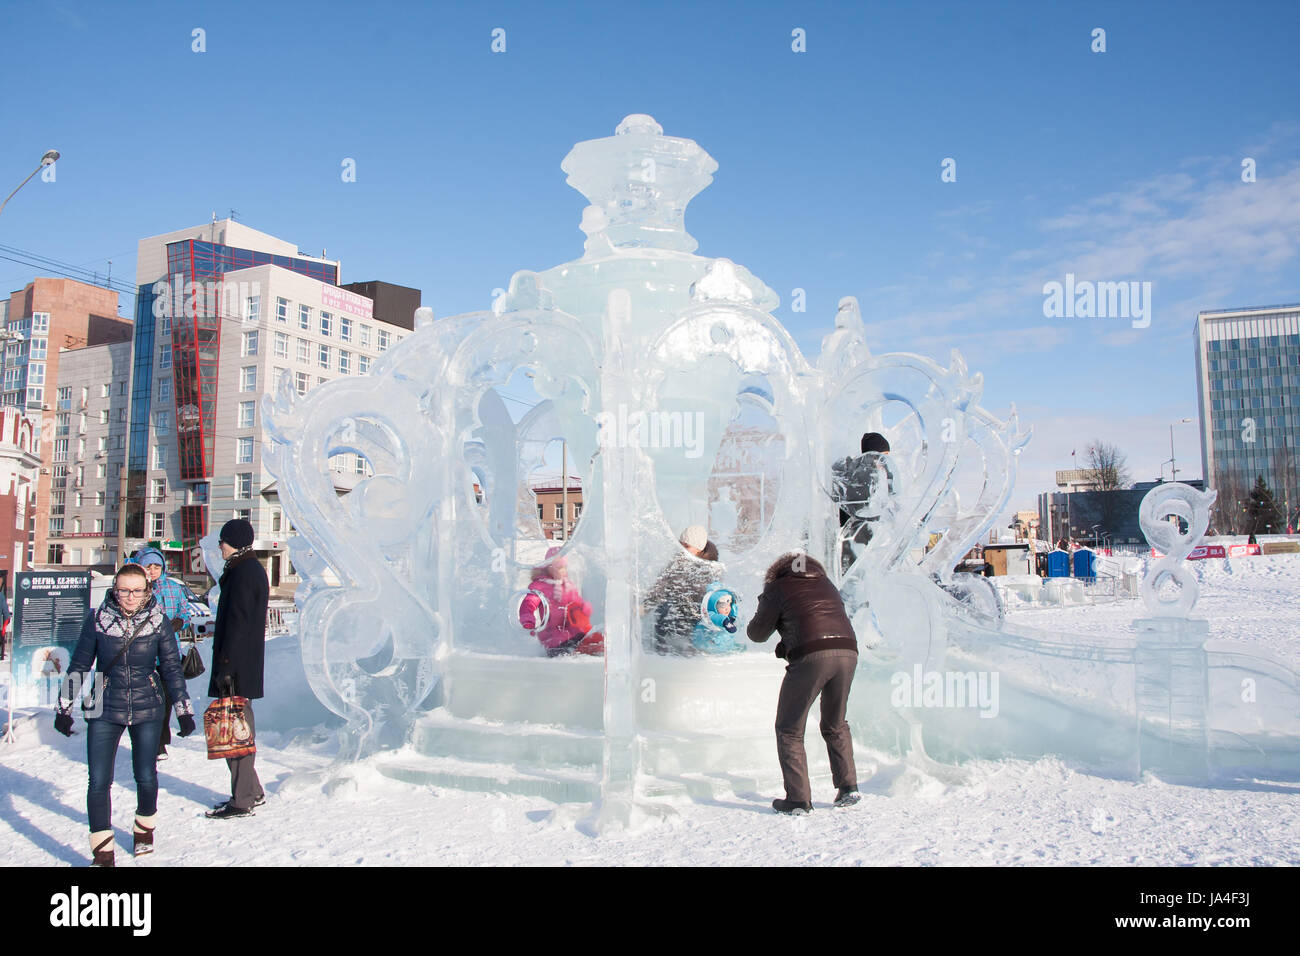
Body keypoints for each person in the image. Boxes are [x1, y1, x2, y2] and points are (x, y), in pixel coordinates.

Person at [55, 563, 196, 866]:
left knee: (145, 776)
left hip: (148, 705)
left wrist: (183, 711)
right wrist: (64, 707)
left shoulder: (158, 621)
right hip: (103, 704)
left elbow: (171, 668)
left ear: (147, 591)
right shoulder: (97, 619)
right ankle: (102, 851)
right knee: (98, 780)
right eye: (123, 590)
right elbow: (79, 665)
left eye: (137, 591)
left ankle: (144, 831)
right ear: (114, 589)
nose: (130, 597)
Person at [747, 551, 859, 814]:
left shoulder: (779, 586)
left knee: (789, 728)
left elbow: (757, 633)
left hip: (812, 656)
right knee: (835, 722)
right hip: (848, 651)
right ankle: (848, 787)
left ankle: (798, 799)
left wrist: (766, 602)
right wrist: (788, 641)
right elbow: (816, 618)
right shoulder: (826, 584)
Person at [205, 518, 268, 820]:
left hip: (236, 668)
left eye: (223, 540)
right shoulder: (245, 569)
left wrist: (227, 667)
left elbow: (239, 624)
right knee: (236, 728)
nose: (219, 546)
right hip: (239, 665)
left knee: (235, 731)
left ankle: (242, 799)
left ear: (237, 542)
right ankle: (251, 791)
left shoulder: (243, 572)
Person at [133, 546, 193, 761]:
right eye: (148, 566)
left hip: (169, 651)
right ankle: (149, 741)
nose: (153, 570)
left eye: (157, 566)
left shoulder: (173, 588)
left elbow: (185, 612)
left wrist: (179, 622)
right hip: (143, 652)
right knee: (146, 698)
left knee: (166, 698)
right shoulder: (134, 588)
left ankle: (160, 740)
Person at [641, 525, 724, 656]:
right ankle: (662, 648)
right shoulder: (678, 562)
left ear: (699, 548)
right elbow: (662, 585)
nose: (682, 549)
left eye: (686, 546)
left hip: (697, 616)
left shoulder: (710, 567)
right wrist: (645, 606)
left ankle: (693, 647)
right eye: (681, 545)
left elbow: (713, 594)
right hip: (676, 612)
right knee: (664, 609)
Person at [519, 547, 603, 657]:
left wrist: (584, 607)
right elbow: (529, 602)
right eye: (558, 568)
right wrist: (528, 619)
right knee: (572, 650)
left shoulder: (567, 586)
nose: (561, 571)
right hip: (554, 638)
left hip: (576, 634)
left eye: (563, 568)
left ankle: (596, 647)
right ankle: (578, 651)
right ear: (548, 567)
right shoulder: (540, 586)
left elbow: (577, 602)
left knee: (597, 641)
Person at [831, 432, 892, 572]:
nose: (886, 461)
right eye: (883, 456)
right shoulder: (857, 474)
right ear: (872, 455)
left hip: (865, 536)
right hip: (852, 537)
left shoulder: (878, 476)